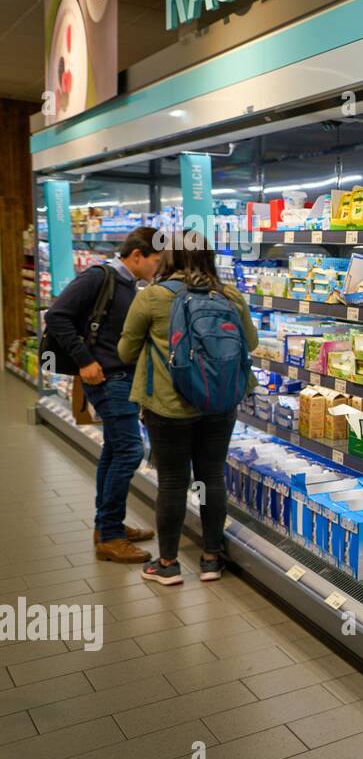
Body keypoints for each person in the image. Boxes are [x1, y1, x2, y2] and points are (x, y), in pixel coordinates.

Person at [119, 234, 258, 585]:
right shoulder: (230, 296)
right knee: (211, 476)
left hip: (168, 405)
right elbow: (251, 343)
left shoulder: (152, 296)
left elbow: (125, 351)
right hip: (219, 402)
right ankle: (211, 559)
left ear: (170, 258)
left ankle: (167, 565)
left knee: (172, 481)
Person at [43, 227, 162, 563]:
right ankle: (109, 536)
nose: (158, 268)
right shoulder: (99, 276)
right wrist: (85, 361)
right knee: (129, 451)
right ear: (137, 255)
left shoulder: (128, 284)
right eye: (156, 260)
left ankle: (108, 526)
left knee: (114, 449)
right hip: (107, 378)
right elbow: (57, 316)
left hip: (120, 376)